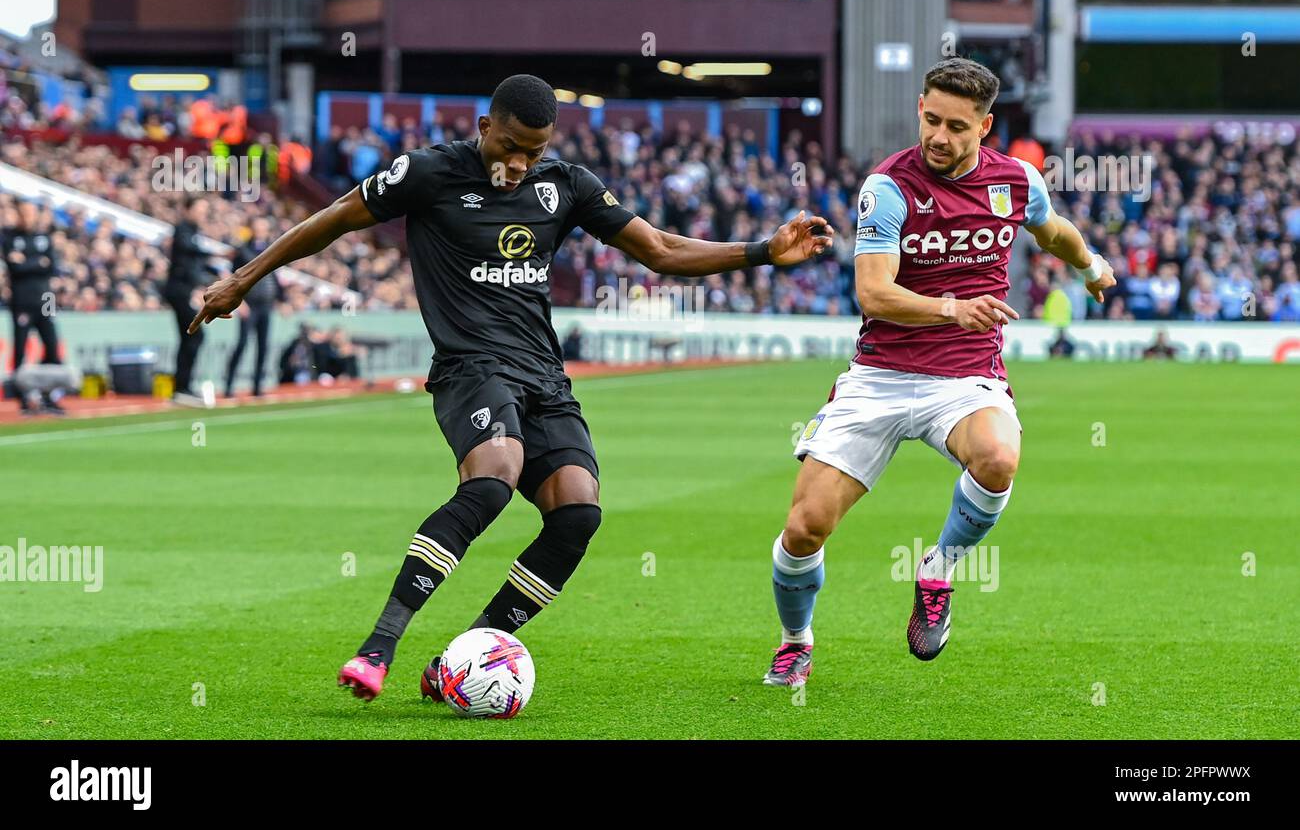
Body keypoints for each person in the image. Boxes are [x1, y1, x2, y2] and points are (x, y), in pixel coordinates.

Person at [187, 74, 832, 702]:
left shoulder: (567, 185)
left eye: (537, 150)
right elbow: (333, 219)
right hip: (471, 367)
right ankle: (378, 646)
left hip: (544, 376)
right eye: (511, 146)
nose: (521, 163)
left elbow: (659, 249)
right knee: (495, 474)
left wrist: (761, 251)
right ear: (484, 127)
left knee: (578, 512)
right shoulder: (428, 173)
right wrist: (243, 278)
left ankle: (461, 659)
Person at [763, 58, 1116, 686]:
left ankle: (938, 569)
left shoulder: (1015, 181)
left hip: (964, 378)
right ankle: (796, 640)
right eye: (930, 119)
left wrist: (1089, 265)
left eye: (957, 126)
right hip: (880, 374)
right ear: (919, 108)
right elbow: (873, 293)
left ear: (984, 125)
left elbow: (1052, 230)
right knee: (803, 529)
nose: (939, 137)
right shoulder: (888, 186)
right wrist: (953, 308)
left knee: (999, 458)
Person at [164, 198, 230, 405]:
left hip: (184, 290)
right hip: (178, 291)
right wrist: (215, 253)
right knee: (193, 335)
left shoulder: (193, 233)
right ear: (187, 209)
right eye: (200, 209)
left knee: (191, 337)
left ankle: (181, 387)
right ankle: (181, 387)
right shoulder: (182, 230)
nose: (203, 214)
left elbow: (196, 261)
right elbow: (189, 251)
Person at [2, 200, 65, 414]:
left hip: (47, 298)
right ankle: (24, 399)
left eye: (31, 213)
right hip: (22, 300)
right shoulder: (9, 237)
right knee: (20, 349)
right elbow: (15, 268)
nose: (29, 217)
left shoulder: (44, 237)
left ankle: (49, 395)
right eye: (25, 213)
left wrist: (28, 263)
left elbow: (53, 267)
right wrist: (38, 263)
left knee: (52, 346)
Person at [223, 217, 280, 398]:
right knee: (242, 344)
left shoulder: (272, 248)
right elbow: (232, 278)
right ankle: (229, 386)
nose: (260, 230)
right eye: (257, 227)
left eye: (263, 227)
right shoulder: (242, 250)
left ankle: (257, 386)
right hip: (249, 304)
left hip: (266, 305)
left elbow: (274, 277)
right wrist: (240, 303)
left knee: (263, 346)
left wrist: (282, 299)